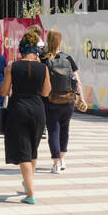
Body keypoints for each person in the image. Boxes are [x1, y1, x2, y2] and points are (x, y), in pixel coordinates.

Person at [0, 27, 50, 204]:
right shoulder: (43, 68)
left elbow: (4, 91)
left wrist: (8, 75)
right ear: (36, 50)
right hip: (38, 111)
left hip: (18, 110)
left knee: (23, 153)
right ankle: (28, 183)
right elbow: (46, 93)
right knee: (33, 151)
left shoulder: (12, 66)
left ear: (20, 49)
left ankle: (30, 194)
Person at [41, 29, 86, 173]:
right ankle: (62, 159)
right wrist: (82, 99)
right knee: (64, 130)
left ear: (47, 41)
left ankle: (55, 163)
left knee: (53, 130)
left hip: (50, 100)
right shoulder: (68, 58)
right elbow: (77, 81)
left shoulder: (43, 59)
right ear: (60, 42)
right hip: (68, 100)